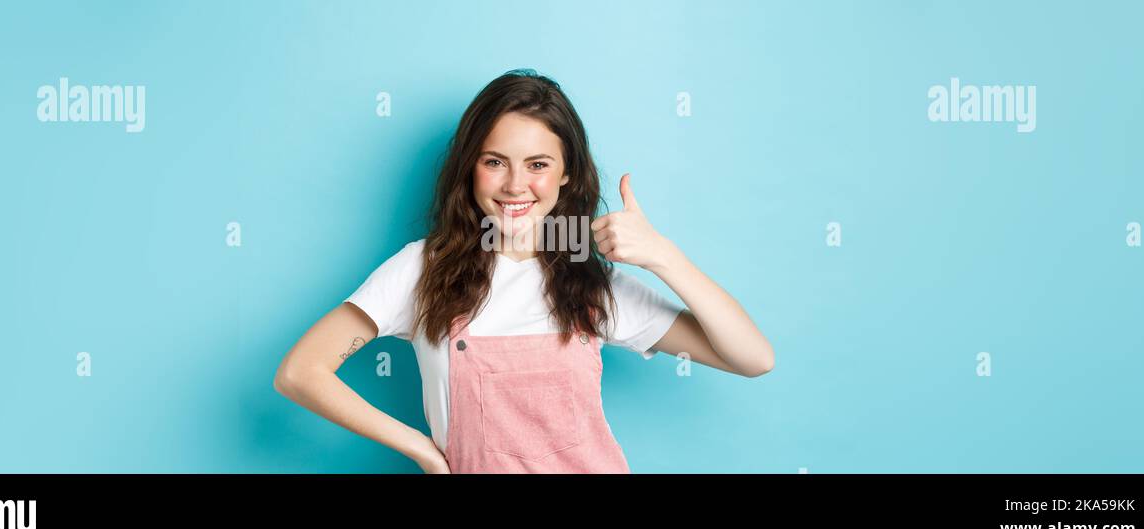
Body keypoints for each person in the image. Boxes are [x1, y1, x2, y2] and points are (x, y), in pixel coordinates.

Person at [275, 69, 774, 474]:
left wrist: (664, 256)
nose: (516, 185)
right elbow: (301, 372)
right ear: (470, 168)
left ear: (567, 173)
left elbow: (753, 358)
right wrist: (423, 449)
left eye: (538, 164)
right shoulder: (423, 271)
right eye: (495, 161)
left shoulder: (593, 284)